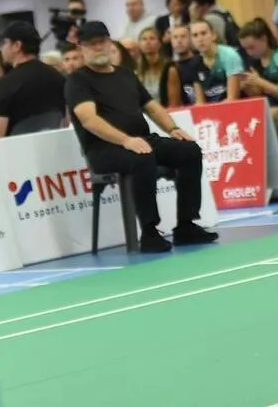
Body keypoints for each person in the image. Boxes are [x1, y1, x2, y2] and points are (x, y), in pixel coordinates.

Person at [65, 21, 219, 253]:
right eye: (91, 44)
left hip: (141, 140)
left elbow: (151, 106)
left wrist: (172, 128)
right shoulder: (78, 81)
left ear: (109, 43)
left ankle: (186, 225)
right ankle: (149, 232)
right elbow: (89, 120)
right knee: (142, 157)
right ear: (81, 48)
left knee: (189, 150)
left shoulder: (125, 74)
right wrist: (126, 141)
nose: (97, 48)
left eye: (101, 42)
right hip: (104, 148)